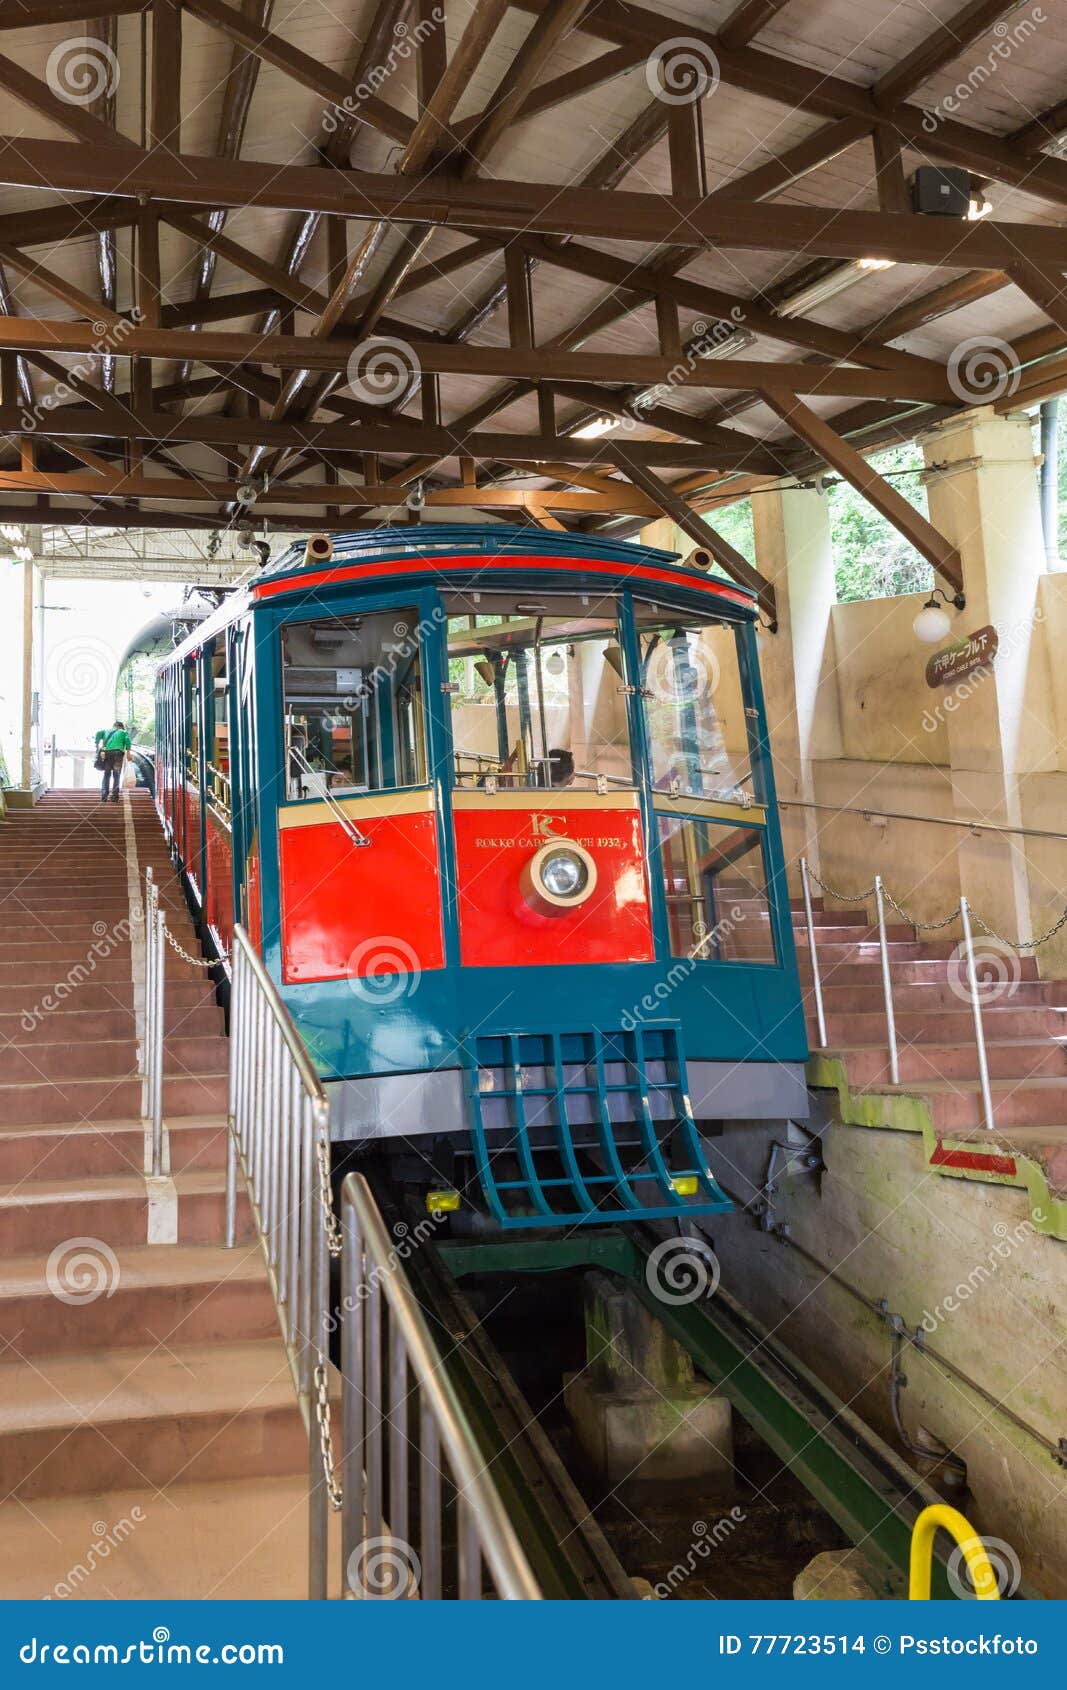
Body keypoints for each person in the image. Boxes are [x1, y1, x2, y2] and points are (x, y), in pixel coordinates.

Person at [95, 720, 131, 803]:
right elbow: (127, 741)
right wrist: (128, 753)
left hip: (107, 753)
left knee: (107, 774)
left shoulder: (106, 731)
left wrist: (96, 745)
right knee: (116, 775)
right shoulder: (123, 732)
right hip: (118, 754)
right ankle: (114, 797)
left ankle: (104, 796)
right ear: (121, 727)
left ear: (114, 726)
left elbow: (98, 733)